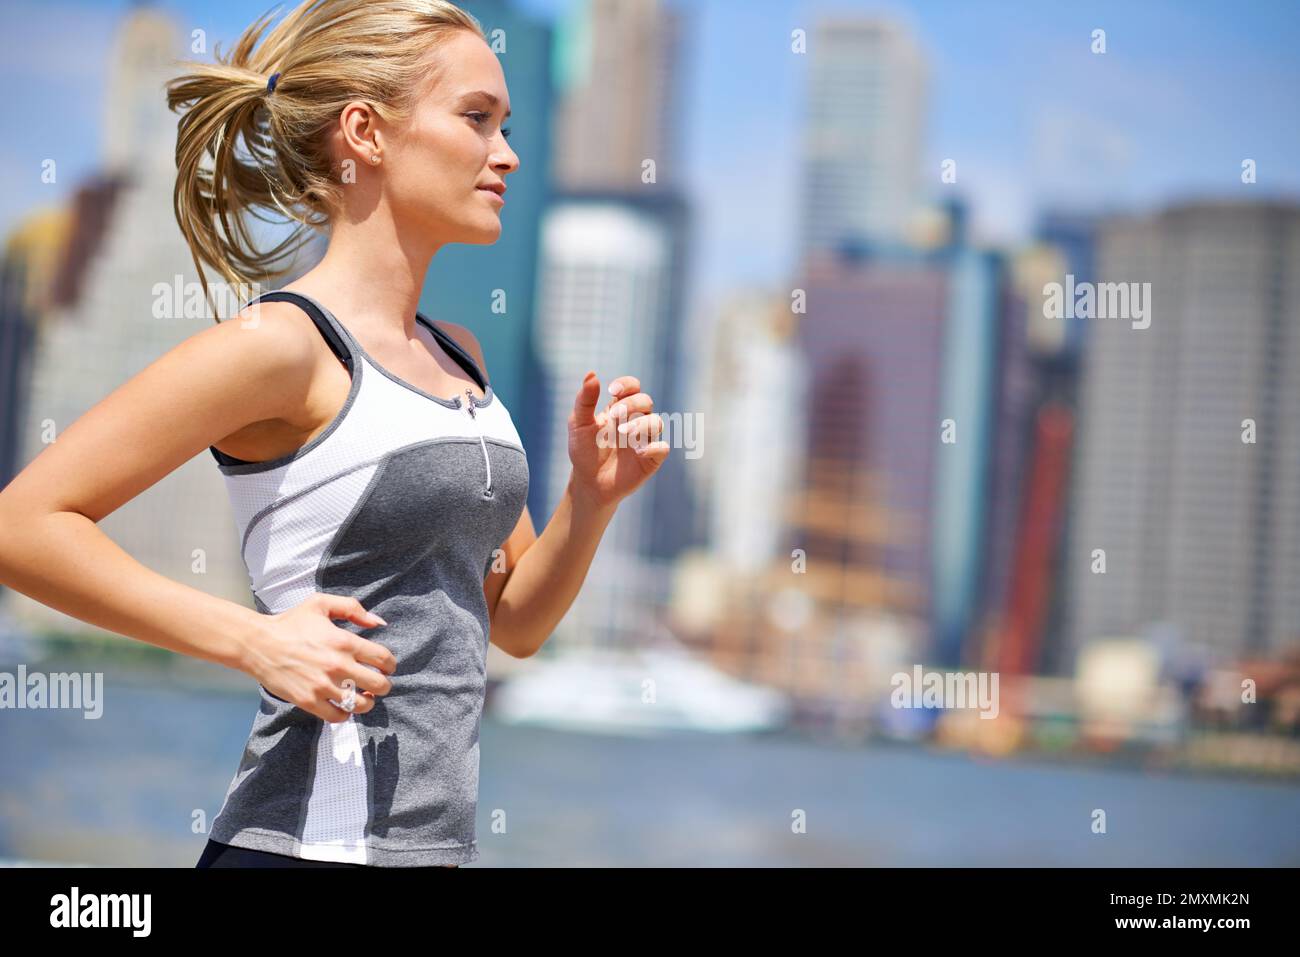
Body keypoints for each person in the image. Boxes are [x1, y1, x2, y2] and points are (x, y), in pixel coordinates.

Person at [0, 0, 669, 868]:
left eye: (505, 125)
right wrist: (253, 639)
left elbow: (512, 622)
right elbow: (23, 524)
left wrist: (592, 495)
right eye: (476, 120)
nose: (505, 154)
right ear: (365, 132)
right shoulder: (282, 346)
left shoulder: (459, 356)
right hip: (295, 850)